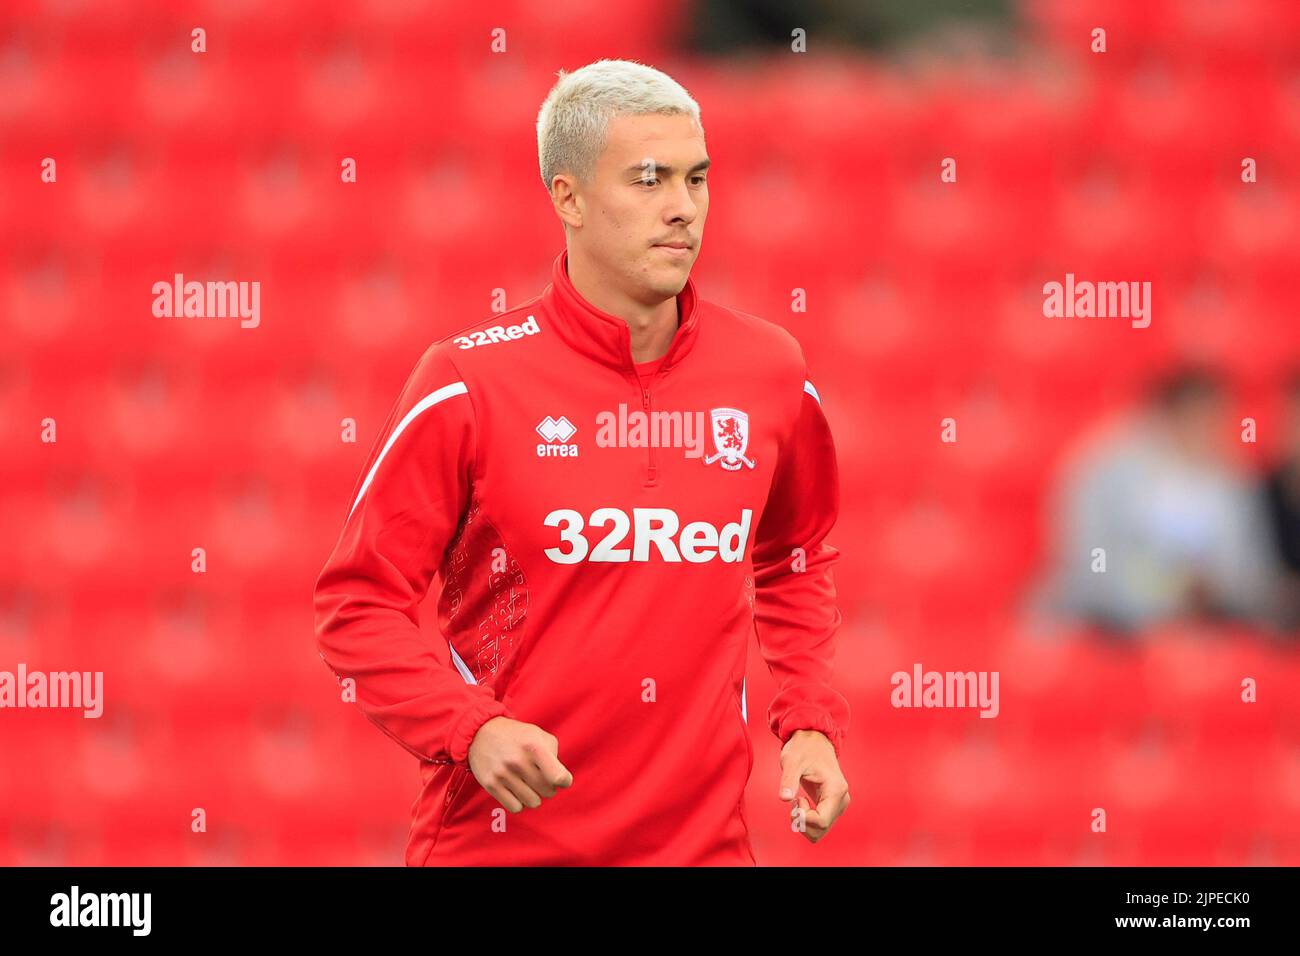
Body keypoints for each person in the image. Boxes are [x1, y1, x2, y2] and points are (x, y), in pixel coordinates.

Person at [313, 59, 851, 865]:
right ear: (567, 198)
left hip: (703, 852)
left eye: (696, 178)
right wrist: (469, 727)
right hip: (499, 850)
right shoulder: (467, 382)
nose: (683, 207)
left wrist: (809, 720)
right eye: (649, 180)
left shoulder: (771, 372)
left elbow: (794, 558)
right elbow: (357, 603)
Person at [1038, 366, 1280, 635]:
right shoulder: (1107, 470)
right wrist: (1159, 601)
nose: (1205, 430)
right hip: (1104, 624)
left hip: (1207, 626)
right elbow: (1092, 561)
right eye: (1194, 417)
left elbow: (1250, 573)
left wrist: (1215, 591)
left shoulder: (1235, 481)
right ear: (1169, 416)